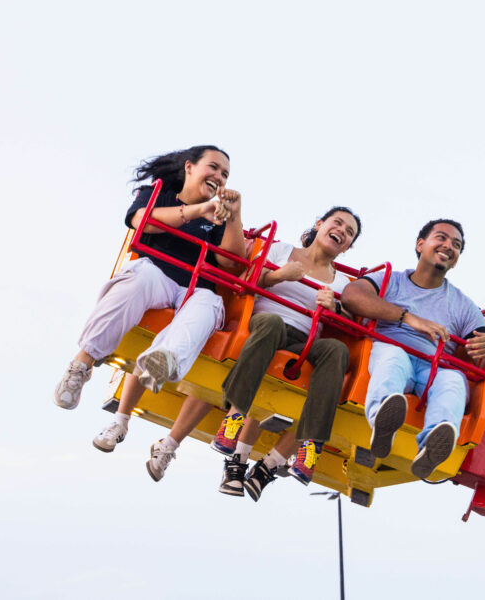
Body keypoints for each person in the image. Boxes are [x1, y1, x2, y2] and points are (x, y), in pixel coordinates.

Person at [53, 146, 245, 471]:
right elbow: (142, 221)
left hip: (197, 287)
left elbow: (232, 264)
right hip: (157, 271)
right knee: (136, 280)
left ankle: (162, 362)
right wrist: (198, 211)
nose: (219, 177)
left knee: (209, 306)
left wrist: (234, 215)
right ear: (189, 167)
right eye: (214, 167)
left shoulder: (220, 217)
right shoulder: (160, 193)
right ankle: (81, 365)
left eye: (225, 174)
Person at [208, 207, 362, 500]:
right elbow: (249, 279)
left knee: (336, 349)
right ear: (320, 225)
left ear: (348, 246)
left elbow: (350, 324)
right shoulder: (281, 250)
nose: (342, 230)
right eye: (337, 223)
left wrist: (336, 308)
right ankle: (233, 419)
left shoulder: (340, 282)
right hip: (265, 326)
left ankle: (310, 446)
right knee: (273, 322)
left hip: (303, 341)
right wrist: (280, 275)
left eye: (349, 232)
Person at [340, 219, 485, 479]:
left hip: (435, 368)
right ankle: (383, 417)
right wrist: (408, 318)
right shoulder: (390, 280)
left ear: (456, 260)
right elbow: (352, 296)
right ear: (421, 244)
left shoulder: (464, 306)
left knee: (454, 380)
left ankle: (433, 444)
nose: (448, 246)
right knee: (394, 358)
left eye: (456, 245)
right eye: (441, 238)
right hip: (392, 347)